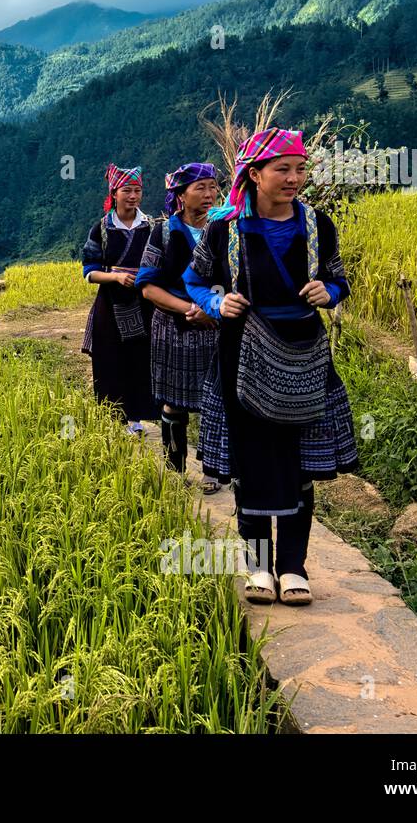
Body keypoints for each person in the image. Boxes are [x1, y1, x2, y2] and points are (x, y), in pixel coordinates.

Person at [183, 118, 358, 607]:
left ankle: (294, 567)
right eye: (283, 169)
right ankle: (259, 567)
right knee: (252, 460)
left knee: (298, 459)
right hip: (242, 352)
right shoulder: (224, 229)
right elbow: (194, 281)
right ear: (254, 175)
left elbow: (338, 277)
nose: (294, 178)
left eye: (300, 169)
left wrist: (330, 291)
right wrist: (218, 304)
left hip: (304, 351)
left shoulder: (317, 225)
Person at [136, 162, 221, 491]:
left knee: (218, 399)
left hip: (217, 326)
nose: (209, 194)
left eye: (213, 186)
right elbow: (148, 286)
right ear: (181, 196)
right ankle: (175, 469)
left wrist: (215, 310)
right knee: (174, 401)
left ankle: (214, 470)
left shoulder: (224, 229)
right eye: (200, 188)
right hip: (175, 328)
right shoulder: (164, 233)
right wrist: (189, 308)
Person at [81, 164, 160, 435]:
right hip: (110, 306)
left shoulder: (151, 227)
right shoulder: (101, 229)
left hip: (143, 305)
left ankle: (137, 418)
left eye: (137, 190)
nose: (133, 196)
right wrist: (115, 277)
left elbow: (162, 263)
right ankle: (112, 419)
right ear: (114, 193)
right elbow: (89, 272)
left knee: (140, 358)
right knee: (109, 359)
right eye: (127, 190)